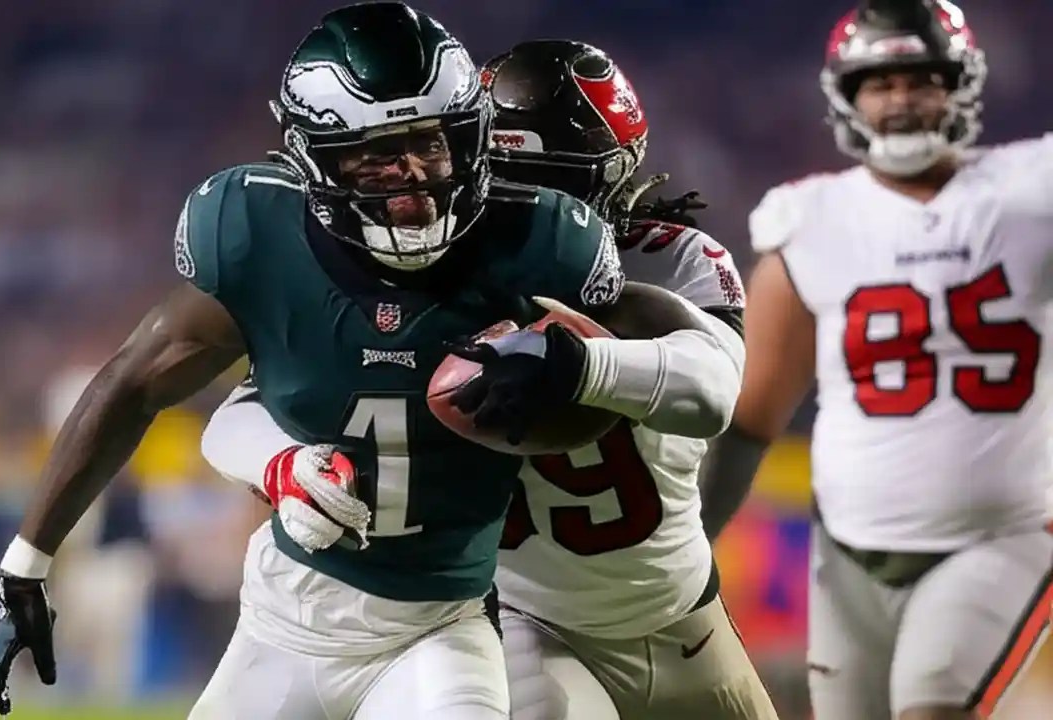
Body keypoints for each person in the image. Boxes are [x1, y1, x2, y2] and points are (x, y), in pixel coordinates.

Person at [0, 2, 702, 717]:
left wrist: (592, 370)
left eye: (432, 144)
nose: (415, 179)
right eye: (379, 155)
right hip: (280, 627)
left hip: (439, 631)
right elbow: (138, 384)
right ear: (317, 159)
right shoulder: (259, 236)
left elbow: (685, 373)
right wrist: (25, 565)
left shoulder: (544, 247)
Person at [203, 39, 778, 720]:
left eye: (550, 179)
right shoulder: (428, 273)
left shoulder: (672, 259)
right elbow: (252, 407)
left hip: (681, 606)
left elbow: (714, 388)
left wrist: (581, 366)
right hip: (530, 621)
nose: (528, 200)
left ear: (615, 177)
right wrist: (282, 464)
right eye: (505, 172)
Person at [701, 2, 1053, 719]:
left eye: (921, 79)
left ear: (959, 85)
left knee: (933, 705)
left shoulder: (1033, 191)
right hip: (849, 555)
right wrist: (689, 545)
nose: (900, 100)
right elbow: (751, 416)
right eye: (880, 83)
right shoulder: (810, 220)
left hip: (1001, 535)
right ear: (847, 97)